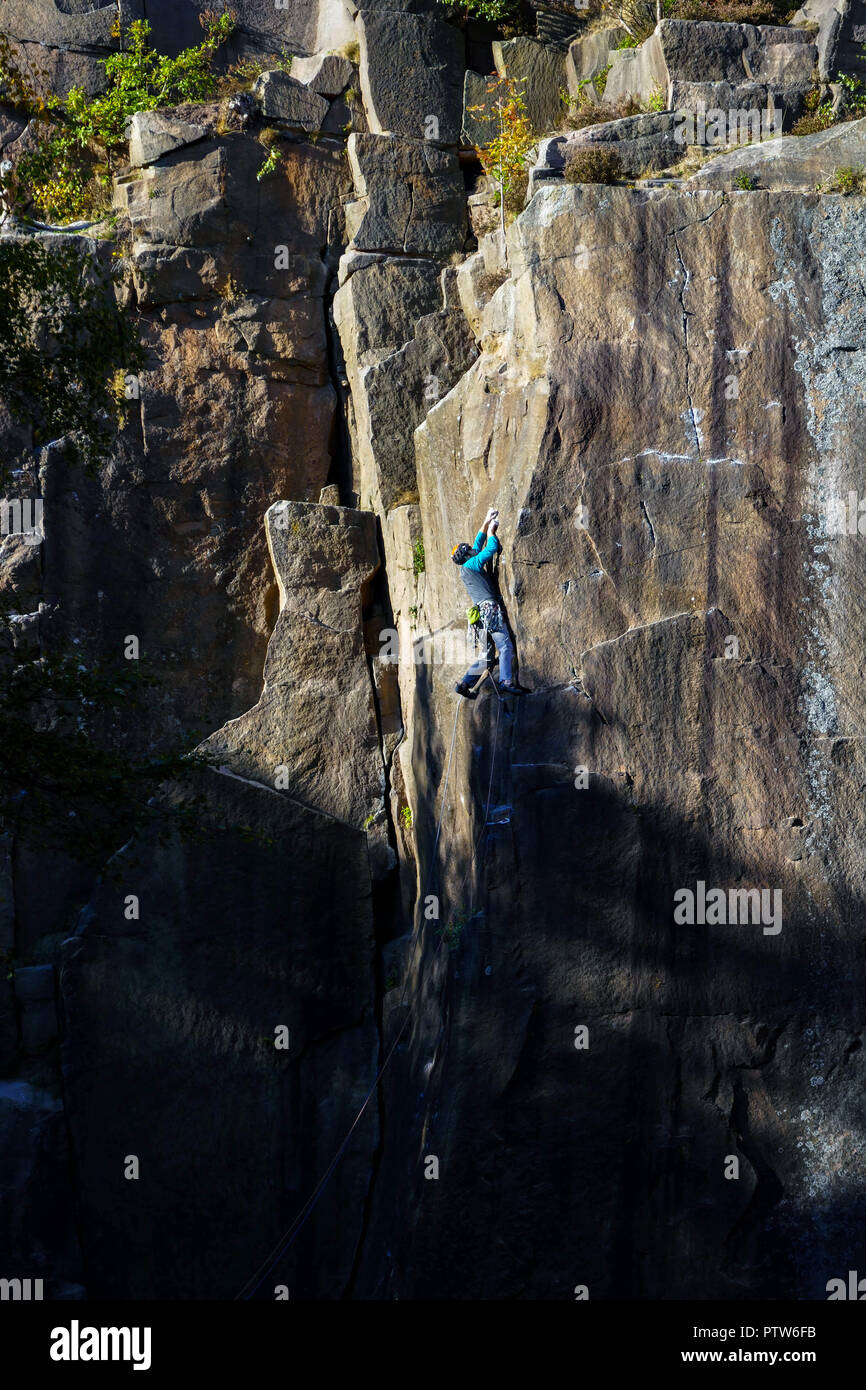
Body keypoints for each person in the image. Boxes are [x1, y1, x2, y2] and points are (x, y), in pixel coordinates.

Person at [451, 508, 526, 698]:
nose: (471, 549)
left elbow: (478, 544)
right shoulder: (473, 564)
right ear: (467, 555)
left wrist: (486, 521)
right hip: (489, 610)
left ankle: (465, 683)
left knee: (487, 656)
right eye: (468, 549)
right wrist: (492, 532)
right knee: (505, 646)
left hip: (480, 616)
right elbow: (490, 548)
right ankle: (506, 681)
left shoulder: (466, 567)